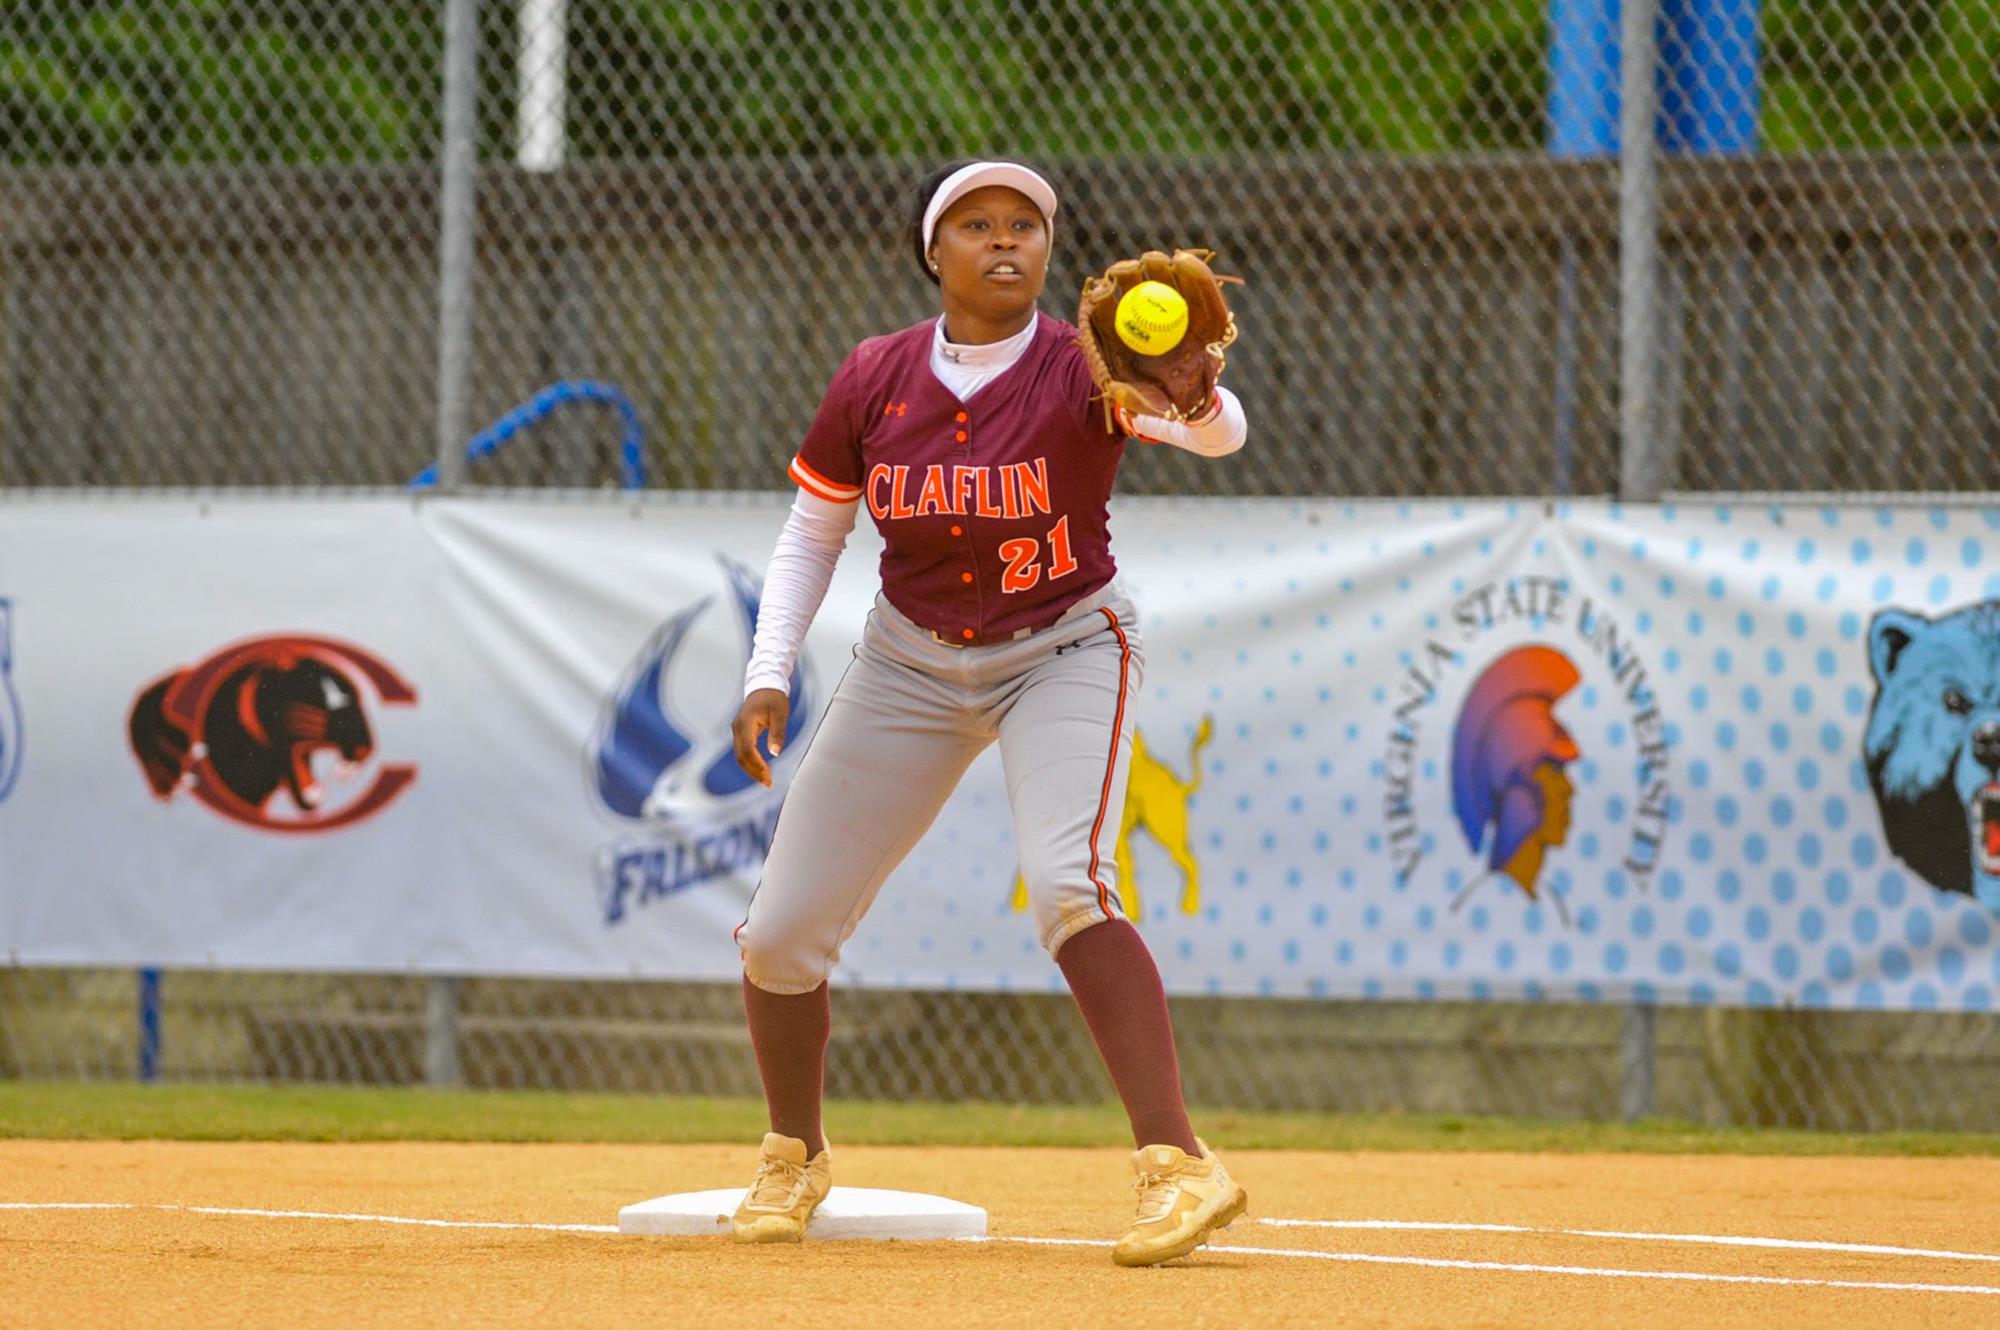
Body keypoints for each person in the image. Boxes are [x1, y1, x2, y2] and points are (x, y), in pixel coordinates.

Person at [727, 160, 1251, 1267]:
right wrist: (767, 670)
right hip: (907, 663)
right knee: (778, 933)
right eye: (975, 223)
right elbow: (814, 529)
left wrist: (1189, 392)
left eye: (1025, 224)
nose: (1003, 240)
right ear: (935, 250)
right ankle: (793, 1149)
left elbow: (1220, 438)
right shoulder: (874, 376)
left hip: (1061, 648)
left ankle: (1177, 1164)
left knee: (1069, 883)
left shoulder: (1087, 365)